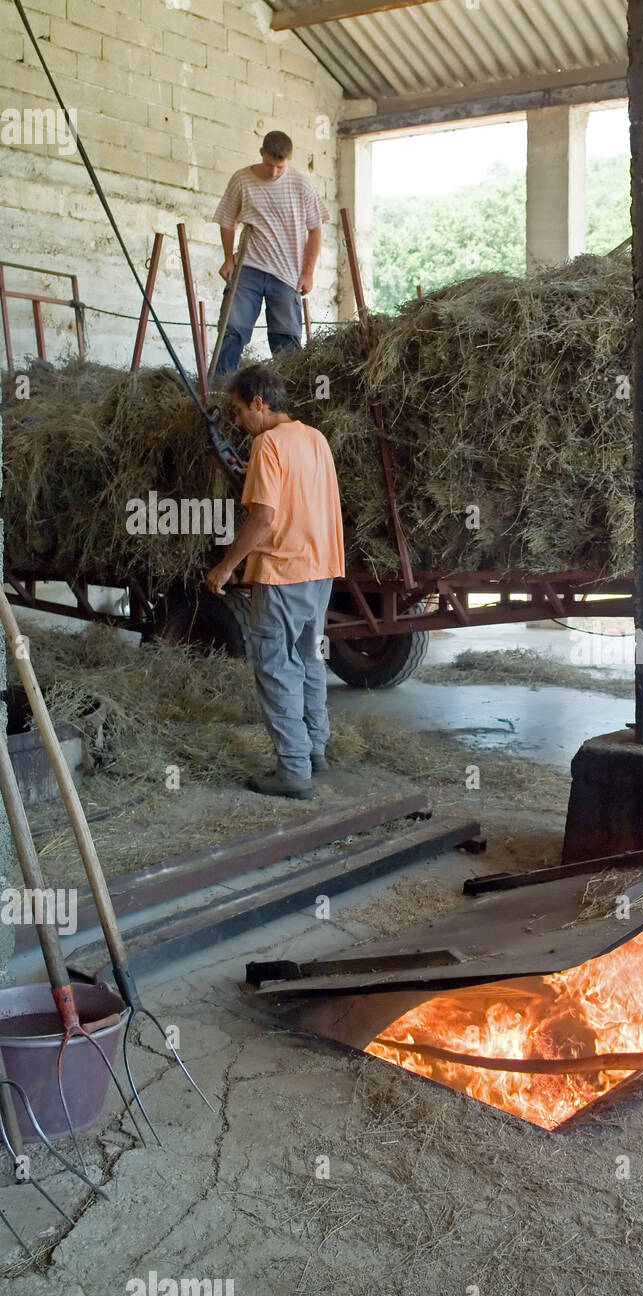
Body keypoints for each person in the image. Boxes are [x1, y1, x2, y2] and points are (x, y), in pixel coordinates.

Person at [205, 364, 345, 800]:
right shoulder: (315, 438)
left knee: (275, 666)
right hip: (320, 569)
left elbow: (263, 518)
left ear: (259, 404)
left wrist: (226, 566)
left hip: (283, 572)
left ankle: (292, 770)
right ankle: (316, 751)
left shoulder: (267, 445)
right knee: (307, 660)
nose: (239, 421)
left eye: (239, 411)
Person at [211, 130, 330, 380]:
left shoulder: (301, 184)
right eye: (269, 164)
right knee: (232, 329)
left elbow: (315, 229)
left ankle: (288, 396)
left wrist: (308, 272)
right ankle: (221, 390)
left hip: (287, 273)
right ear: (261, 153)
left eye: (280, 166)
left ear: (289, 159)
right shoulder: (242, 180)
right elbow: (226, 220)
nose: (274, 172)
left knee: (286, 337)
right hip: (249, 267)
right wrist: (228, 258)